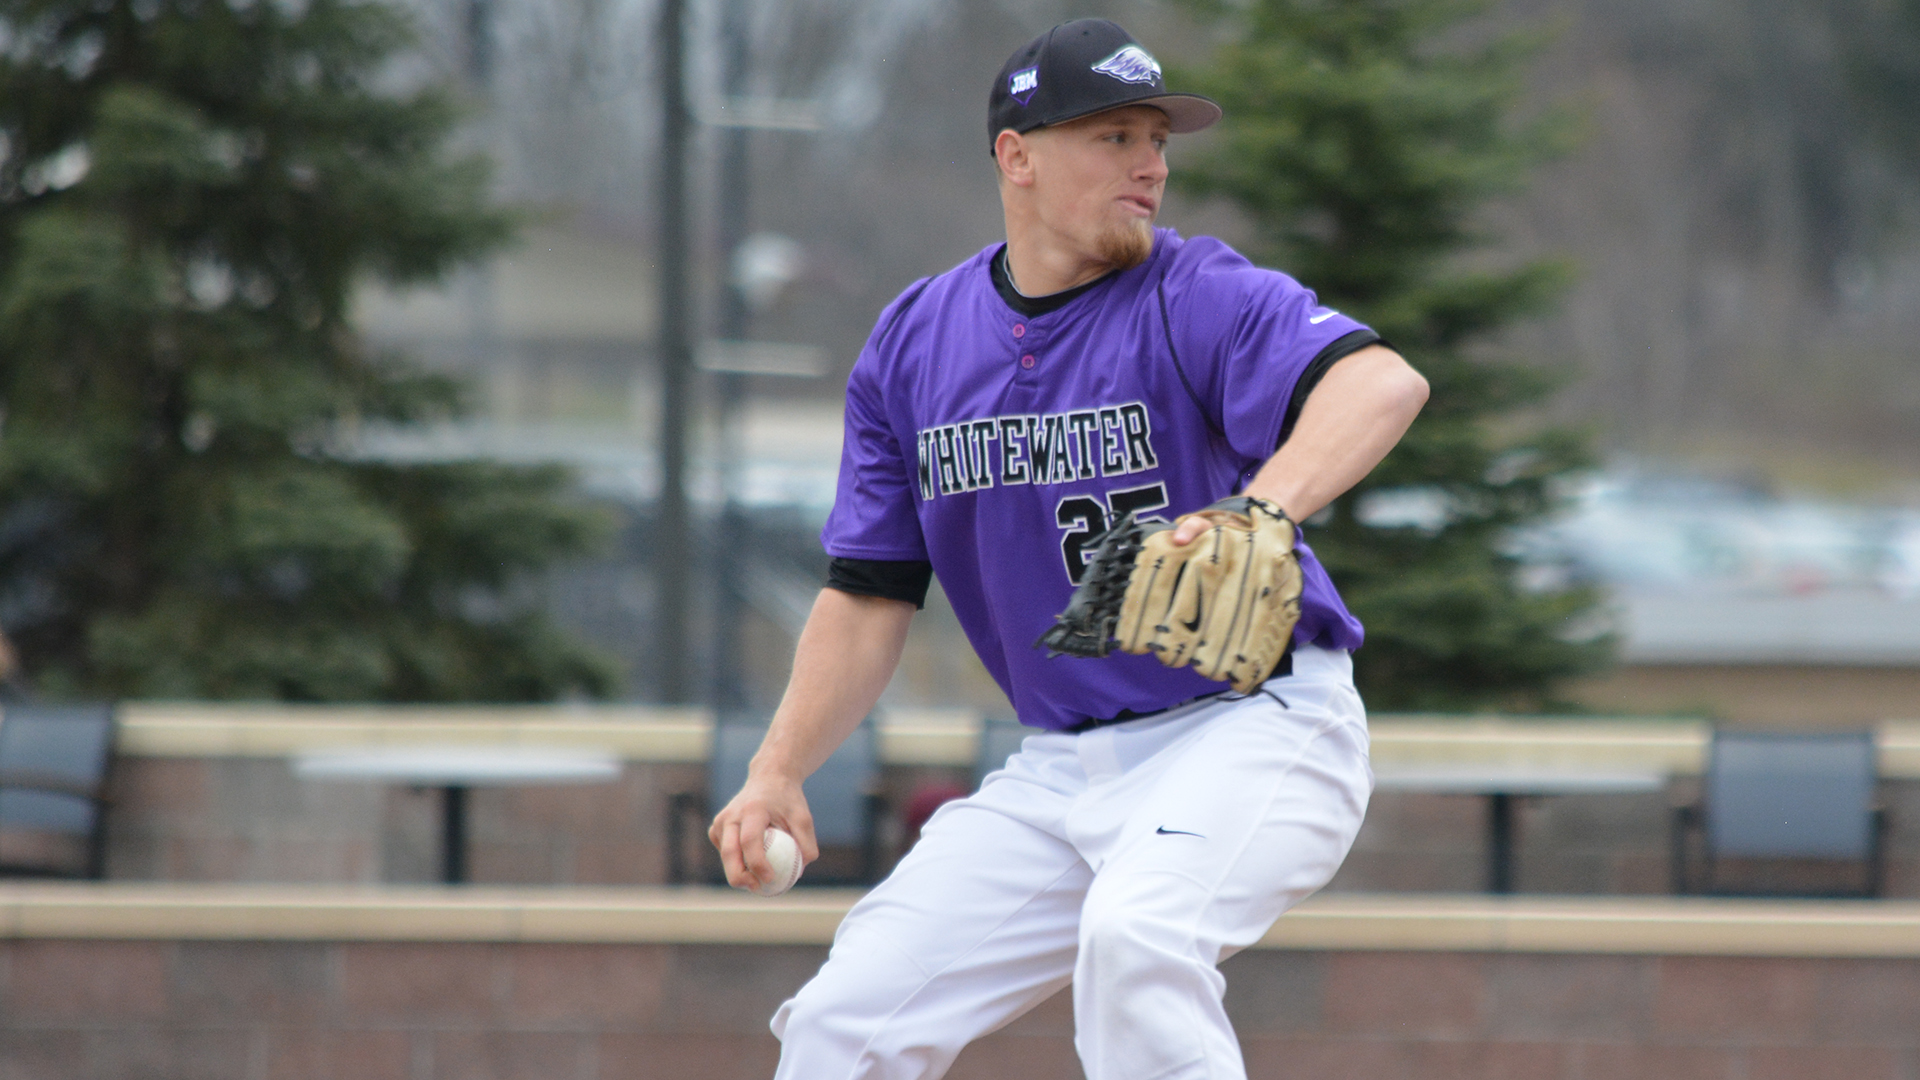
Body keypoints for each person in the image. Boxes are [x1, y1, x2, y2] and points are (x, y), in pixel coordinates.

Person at [709, 18, 1429, 1080]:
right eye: (1114, 137)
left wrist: (1260, 510)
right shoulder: (916, 341)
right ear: (1018, 156)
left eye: (1158, 139)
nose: (1152, 165)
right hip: (1061, 766)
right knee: (842, 1022)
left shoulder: (1193, 291)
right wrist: (777, 768)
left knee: (1138, 939)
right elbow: (867, 594)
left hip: (1254, 726)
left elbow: (1381, 383)